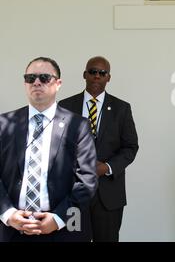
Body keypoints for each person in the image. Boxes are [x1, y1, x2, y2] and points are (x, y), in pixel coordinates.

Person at [0, 57, 97, 242]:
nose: (36, 82)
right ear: (25, 83)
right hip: (12, 230)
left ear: (58, 83)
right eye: (30, 78)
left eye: (44, 77)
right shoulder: (4, 124)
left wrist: (59, 218)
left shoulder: (78, 126)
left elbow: (87, 181)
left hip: (62, 230)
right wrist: (8, 213)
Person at [59, 56, 138, 242]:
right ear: (85, 74)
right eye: (93, 72)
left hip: (108, 196)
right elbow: (56, 147)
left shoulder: (121, 109)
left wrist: (107, 167)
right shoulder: (65, 106)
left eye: (102, 73)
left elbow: (131, 147)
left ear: (108, 78)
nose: (97, 76)